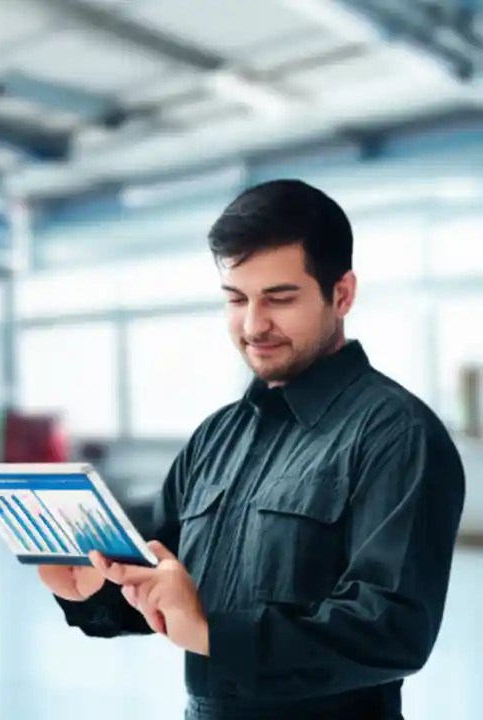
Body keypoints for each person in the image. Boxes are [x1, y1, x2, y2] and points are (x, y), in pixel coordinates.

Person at [38, 180, 465, 720]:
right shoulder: (216, 437)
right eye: (236, 299)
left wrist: (214, 633)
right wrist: (92, 589)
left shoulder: (396, 434)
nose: (253, 325)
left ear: (342, 294)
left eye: (280, 299)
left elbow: (392, 630)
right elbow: (162, 577)